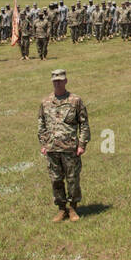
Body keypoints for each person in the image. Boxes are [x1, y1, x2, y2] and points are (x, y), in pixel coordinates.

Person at [38, 69, 90, 223]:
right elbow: (41, 124)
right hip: (52, 148)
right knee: (56, 180)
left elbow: (84, 124)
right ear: (52, 82)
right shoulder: (45, 102)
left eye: (60, 80)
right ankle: (61, 208)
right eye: (55, 81)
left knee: (73, 179)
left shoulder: (75, 100)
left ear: (66, 81)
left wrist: (82, 144)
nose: (58, 83)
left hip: (70, 149)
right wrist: (43, 143)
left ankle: (73, 207)